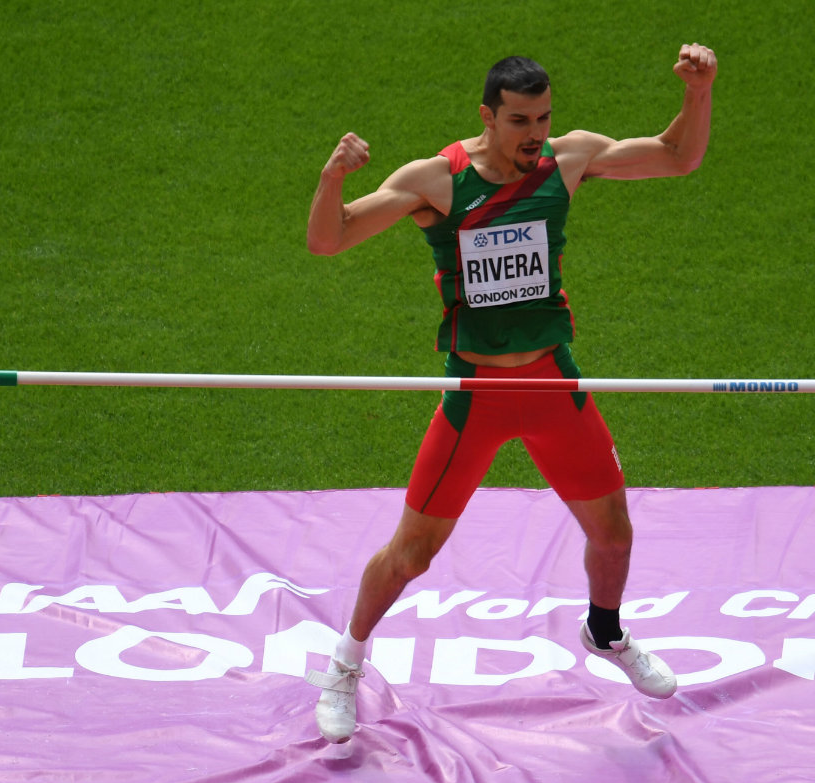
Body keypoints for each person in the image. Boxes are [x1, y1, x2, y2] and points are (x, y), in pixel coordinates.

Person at [304, 43, 717, 744]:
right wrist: (330, 178)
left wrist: (698, 92)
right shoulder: (435, 181)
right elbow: (329, 240)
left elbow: (678, 157)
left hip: (554, 383)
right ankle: (345, 660)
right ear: (488, 118)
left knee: (613, 538)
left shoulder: (571, 158)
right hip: (477, 395)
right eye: (521, 120)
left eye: (544, 117)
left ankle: (605, 633)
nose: (535, 133)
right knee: (412, 554)